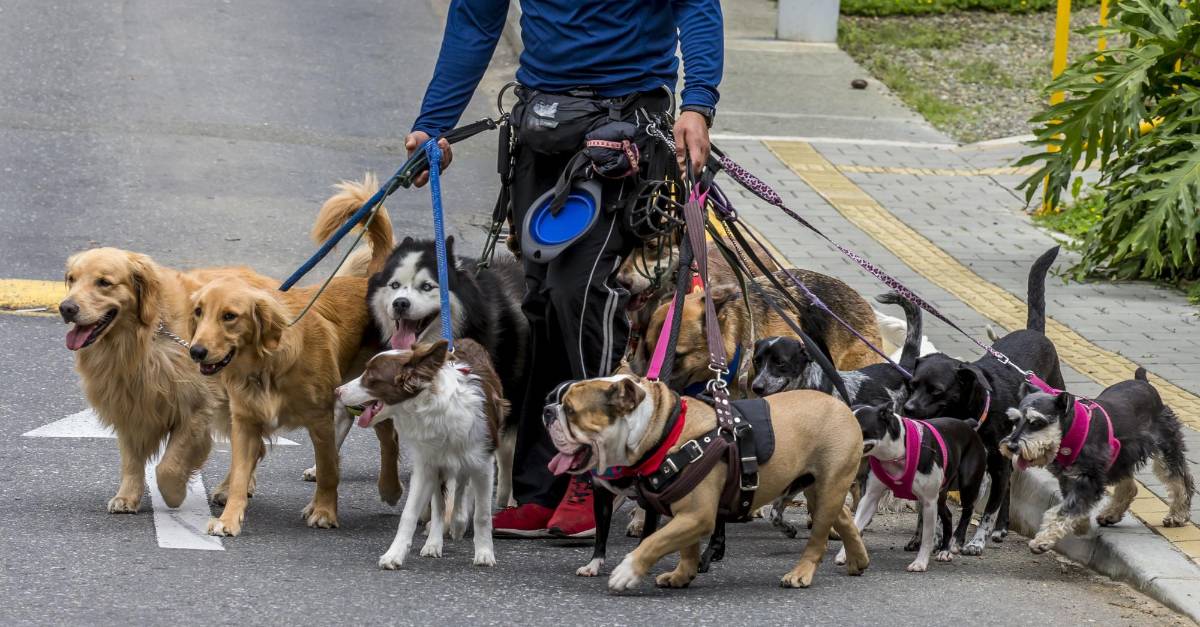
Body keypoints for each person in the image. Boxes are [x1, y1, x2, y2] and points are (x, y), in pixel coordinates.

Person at [405, 0, 723, 538]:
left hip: (624, 130)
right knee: (541, 305)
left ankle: (594, 473)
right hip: (541, 129)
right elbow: (476, 19)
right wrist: (433, 124)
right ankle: (540, 485)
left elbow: (697, 6)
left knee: (580, 293)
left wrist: (698, 103)